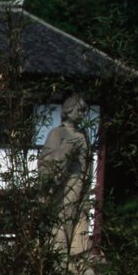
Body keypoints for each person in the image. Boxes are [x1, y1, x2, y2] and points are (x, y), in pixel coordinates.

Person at [40, 94, 92, 257]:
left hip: (80, 185)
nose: (82, 114)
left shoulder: (84, 135)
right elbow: (48, 162)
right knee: (63, 219)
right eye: (79, 110)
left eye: (85, 111)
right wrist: (69, 147)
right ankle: (59, 255)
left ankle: (76, 255)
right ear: (68, 111)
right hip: (64, 186)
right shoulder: (58, 133)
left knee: (77, 220)